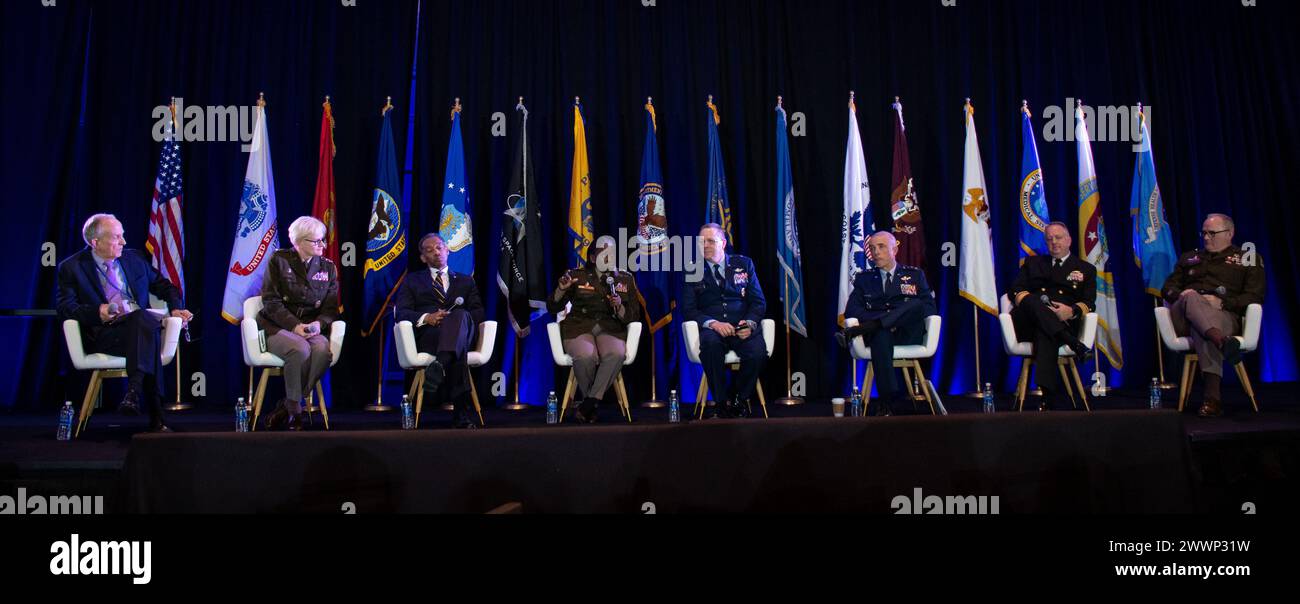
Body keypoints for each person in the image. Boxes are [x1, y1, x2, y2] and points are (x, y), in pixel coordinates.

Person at [56, 213, 192, 433]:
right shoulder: (72, 268)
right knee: (147, 330)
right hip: (106, 334)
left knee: (142, 321)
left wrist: (175, 308)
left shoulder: (135, 259)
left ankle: (133, 393)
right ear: (95, 242)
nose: (124, 242)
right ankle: (156, 414)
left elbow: (166, 287)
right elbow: (65, 308)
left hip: (140, 327)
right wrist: (97, 312)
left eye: (123, 236)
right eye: (117, 237)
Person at [1160, 213, 1266, 417]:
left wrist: (1223, 302)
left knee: (1203, 329)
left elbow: (1255, 296)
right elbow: (1167, 288)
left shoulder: (1247, 258)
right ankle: (1222, 343)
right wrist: (1183, 296)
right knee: (1192, 298)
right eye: (1204, 233)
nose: (1206, 237)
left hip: (1223, 317)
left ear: (1230, 233)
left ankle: (1212, 399)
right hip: (1183, 315)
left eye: (1212, 233)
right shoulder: (1189, 258)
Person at [835, 231, 936, 415]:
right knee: (881, 334)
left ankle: (869, 327)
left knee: (915, 304)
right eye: (872, 248)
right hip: (881, 337)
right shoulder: (864, 279)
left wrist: (888, 317)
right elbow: (852, 310)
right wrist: (886, 320)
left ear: (894, 249)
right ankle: (887, 400)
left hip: (907, 333)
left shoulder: (914, 275)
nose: (876, 252)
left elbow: (928, 308)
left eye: (881, 247)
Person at [256, 216, 339, 431]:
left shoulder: (328, 268)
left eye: (322, 240)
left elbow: (330, 308)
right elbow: (271, 301)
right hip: (277, 326)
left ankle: (290, 403)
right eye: (317, 241)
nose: (323, 245)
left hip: (310, 327)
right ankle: (295, 413)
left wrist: (319, 325)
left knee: (323, 352)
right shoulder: (279, 260)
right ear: (300, 242)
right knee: (299, 348)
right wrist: (294, 326)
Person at [394, 233, 486, 428]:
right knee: (456, 350)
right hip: (430, 335)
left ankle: (440, 364)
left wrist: (455, 320)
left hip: (462, 332)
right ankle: (461, 416)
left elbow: (478, 312)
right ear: (423, 258)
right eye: (429, 250)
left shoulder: (465, 281)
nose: (436, 252)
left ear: (447, 250)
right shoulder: (412, 281)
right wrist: (427, 317)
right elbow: (401, 312)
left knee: (460, 315)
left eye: (439, 247)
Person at [547, 235, 641, 423]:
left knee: (616, 353)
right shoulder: (576, 275)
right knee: (585, 356)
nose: (609, 256)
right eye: (603, 252)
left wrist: (619, 306)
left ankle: (588, 404)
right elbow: (553, 307)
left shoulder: (625, 278)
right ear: (592, 257)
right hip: (580, 327)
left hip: (610, 328)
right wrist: (561, 289)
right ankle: (591, 405)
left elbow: (633, 315)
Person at [680, 223, 767, 418]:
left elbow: (758, 302)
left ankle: (738, 396)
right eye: (702, 242)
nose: (706, 246)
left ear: (724, 243)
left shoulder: (743, 264)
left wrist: (750, 324)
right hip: (713, 329)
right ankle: (721, 402)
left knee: (757, 353)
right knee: (710, 347)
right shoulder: (692, 270)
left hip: (741, 325)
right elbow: (688, 310)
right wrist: (713, 324)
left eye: (711, 241)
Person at [1007, 221, 1094, 411]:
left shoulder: (1085, 269)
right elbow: (1014, 291)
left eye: (1058, 238)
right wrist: (1035, 303)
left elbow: (1089, 302)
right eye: (1049, 239)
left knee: (1044, 329)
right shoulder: (1033, 263)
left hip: (1063, 321)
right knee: (1031, 300)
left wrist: (1070, 311)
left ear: (1069, 240)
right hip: (1027, 322)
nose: (1054, 242)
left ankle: (1047, 397)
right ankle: (1073, 343)